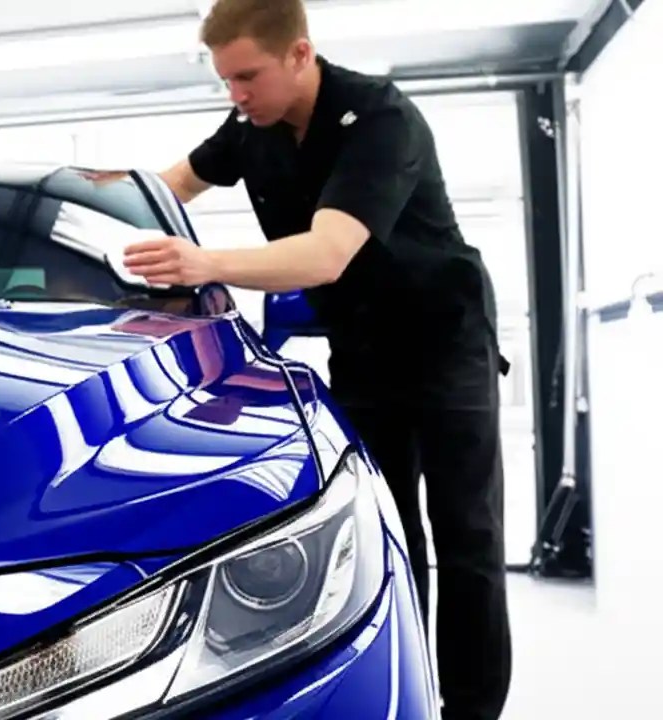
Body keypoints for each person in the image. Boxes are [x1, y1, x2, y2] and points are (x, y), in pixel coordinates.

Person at [121, 1, 512, 719]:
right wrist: (73, 204)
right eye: (225, 81)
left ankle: (475, 709)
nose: (235, 94)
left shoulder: (381, 120)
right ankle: (411, 689)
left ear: (300, 54)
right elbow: (166, 187)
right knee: (389, 531)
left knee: (469, 540)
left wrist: (200, 262)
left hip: (444, 342)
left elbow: (327, 255)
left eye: (248, 76)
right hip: (362, 349)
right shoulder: (252, 126)